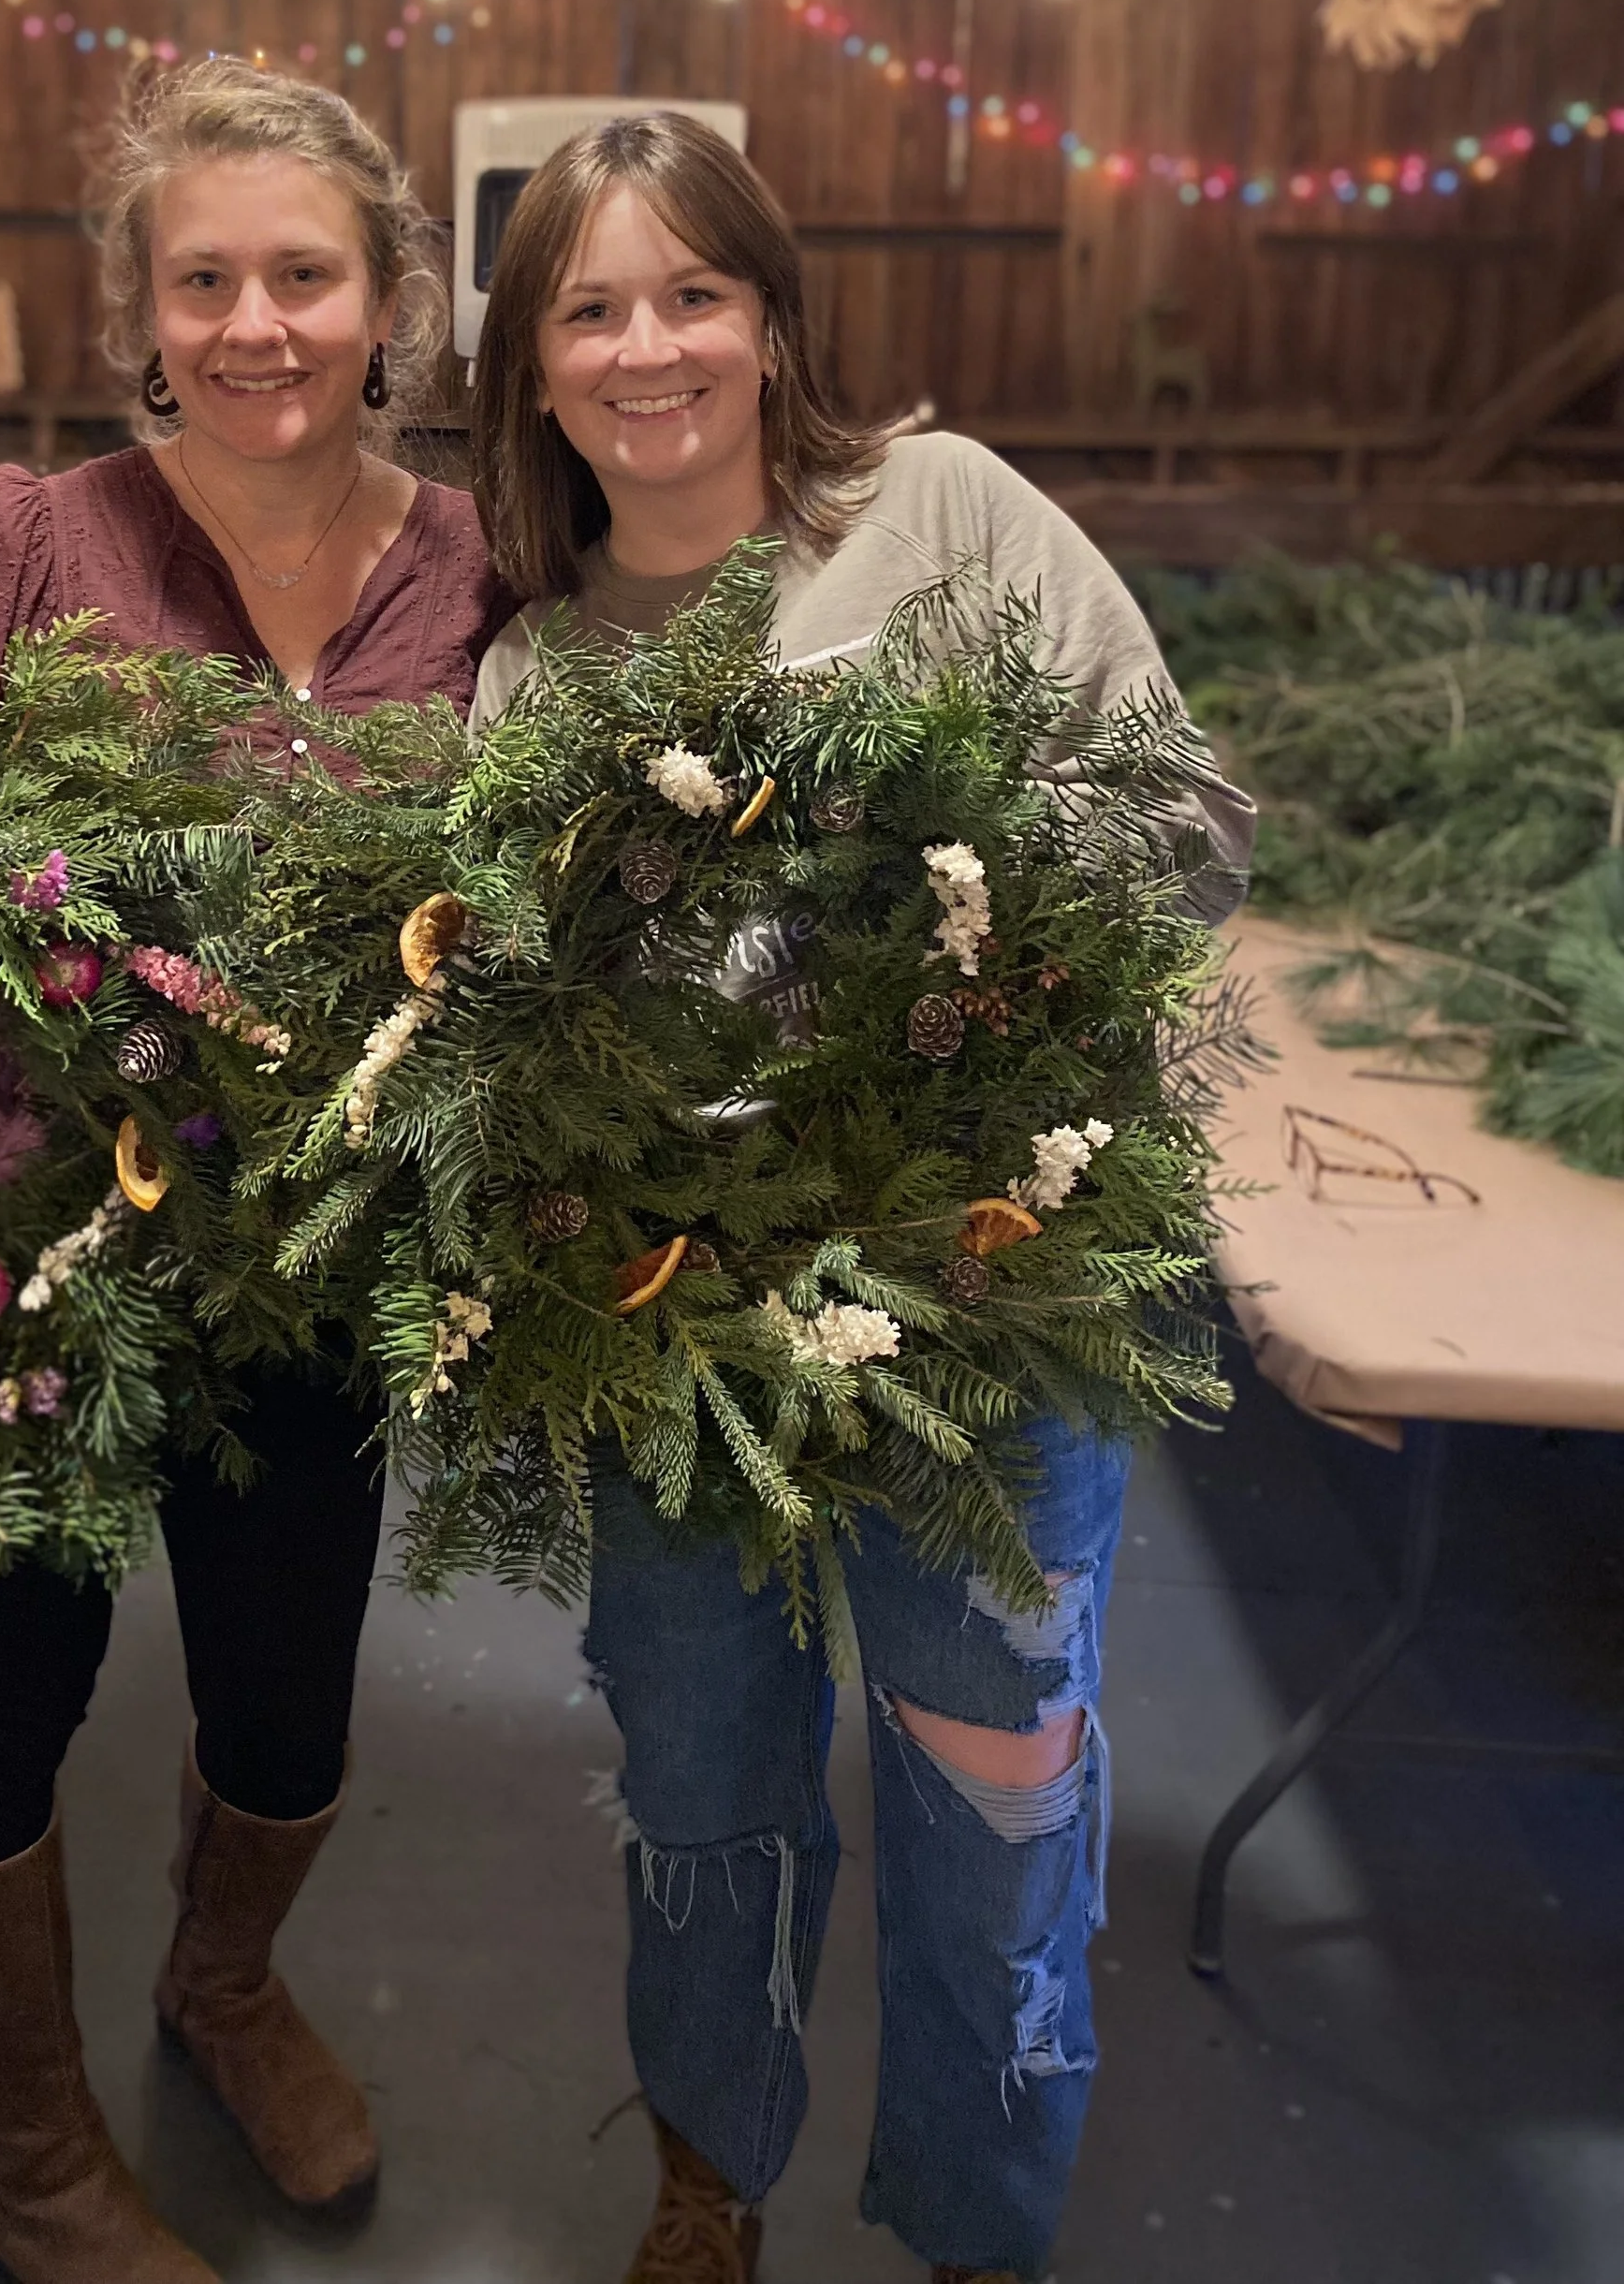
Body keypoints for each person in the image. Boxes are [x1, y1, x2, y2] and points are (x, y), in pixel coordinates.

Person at [466, 110, 1254, 2284]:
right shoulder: (536, 674)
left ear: (769, 316)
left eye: (691, 293)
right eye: (589, 309)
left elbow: (1185, 820)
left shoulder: (945, 511)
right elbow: (521, 1025)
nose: (649, 349)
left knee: (990, 1792)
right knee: (701, 1766)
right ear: (531, 368)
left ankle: (976, 2222)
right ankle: (706, 2166)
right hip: (681, 1332)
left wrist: (947, 906)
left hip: (986, 1313)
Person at [0, 57, 509, 2284]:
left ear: (389, 298)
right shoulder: (31, 539)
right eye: (203, 276)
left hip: (306, 1252)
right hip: (26, 1244)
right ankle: (28, 2161)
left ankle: (218, 1987)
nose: (255, 321)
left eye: (302, 274)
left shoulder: (475, 572)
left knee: (285, 1688)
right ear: (139, 306)